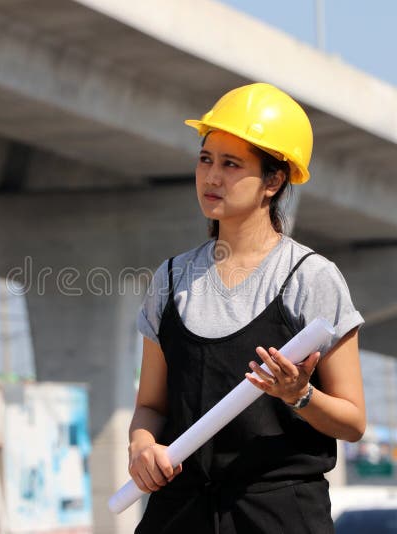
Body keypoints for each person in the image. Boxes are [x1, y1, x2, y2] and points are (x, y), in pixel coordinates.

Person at [128, 83, 366, 533]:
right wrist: (141, 447)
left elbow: (353, 422)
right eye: (205, 159)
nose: (211, 176)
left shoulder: (311, 278)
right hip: (180, 514)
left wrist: (299, 395)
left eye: (231, 164)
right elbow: (150, 406)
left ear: (274, 181)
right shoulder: (171, 279)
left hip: (277, 517)